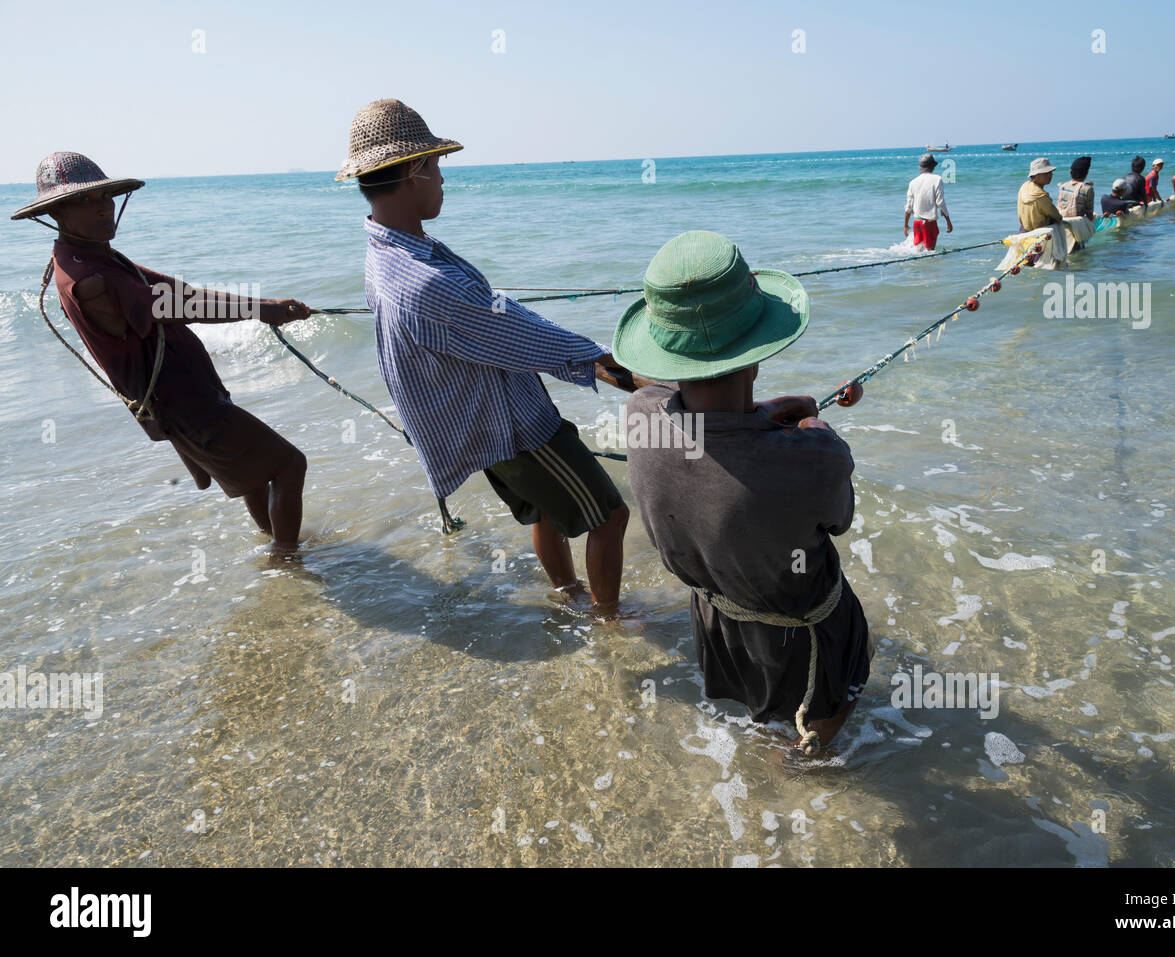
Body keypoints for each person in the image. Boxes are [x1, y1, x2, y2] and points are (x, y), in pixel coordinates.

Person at [338, 99, 652, 617]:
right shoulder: (427, 282)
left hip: (476, 425)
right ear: (414, 172)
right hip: (514, 427)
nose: (442, 181)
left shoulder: (386, 253)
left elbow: (495, 325)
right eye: (436, 169)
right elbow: (532, 338)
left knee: (547, 513)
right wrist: (644, 383)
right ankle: (610, 620)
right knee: (609, 516)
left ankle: (568, 593)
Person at [615, 231, 873, 755]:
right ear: (758, 355)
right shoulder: (816, 459)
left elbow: (711, 442)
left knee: (757, 703)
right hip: (800, 625)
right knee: (839, 694)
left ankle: (759, 750)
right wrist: (816, 431)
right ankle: (800, 765)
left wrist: (762, 419)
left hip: (716, 612)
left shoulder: (641, 415)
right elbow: (837, 520)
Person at [10, 152, 311, 553]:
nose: (102, 208)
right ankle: (287, 562)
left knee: (253, 476)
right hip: (182, 400)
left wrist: (265, 303)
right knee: (290, 464)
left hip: (185, 394)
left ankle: (277, 544)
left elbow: (177, 292)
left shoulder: (92, 255)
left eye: (104, 197)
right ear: (58, 212)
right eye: (86, 201)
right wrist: (261, 309)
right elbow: (180, 306)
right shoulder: (89, 278)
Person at [903, 153, 952, 250]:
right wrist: (948, 222)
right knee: (930, 254)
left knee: (918, 253)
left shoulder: (913, 182)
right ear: (932, 167)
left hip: (916, 222)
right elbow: (940, 202)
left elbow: (909, 207)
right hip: (929, 224)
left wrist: (905, 225)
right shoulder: (937, 179)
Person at [1018, 157, 1064, 231]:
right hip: (1040, 233)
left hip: (1024, 230)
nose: (1050, 175)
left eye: (1050, 172)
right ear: (1035, 176)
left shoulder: (1024, 186)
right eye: (1045, 173)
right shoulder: (1041, 196)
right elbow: (1057, 217)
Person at [1056, 156, 1095, 220]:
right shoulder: (1087, 189)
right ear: (1087, 173)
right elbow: (1089, 215)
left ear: (1070, 172)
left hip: (1062, 223)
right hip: (1077, 224)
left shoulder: (1063, 186)